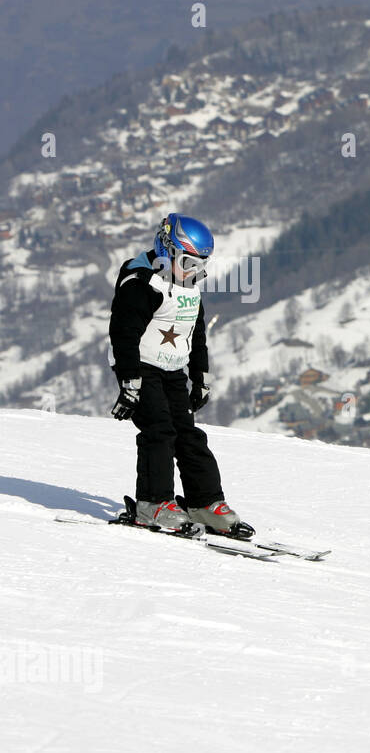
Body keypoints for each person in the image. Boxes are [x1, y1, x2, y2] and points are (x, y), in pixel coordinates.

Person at [108, 213, 243, 533]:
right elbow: (122, 334)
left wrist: (200, 376)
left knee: (189, 435)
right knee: (159, 430)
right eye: (187, 262)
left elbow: (195, 334)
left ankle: (205, 503)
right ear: (166, 250)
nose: (193, 272)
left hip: (171, 368)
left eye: (200, 265)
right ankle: (152, 504)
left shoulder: (188, 287)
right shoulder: (142, 282)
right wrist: (130, 383)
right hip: (139, 366)